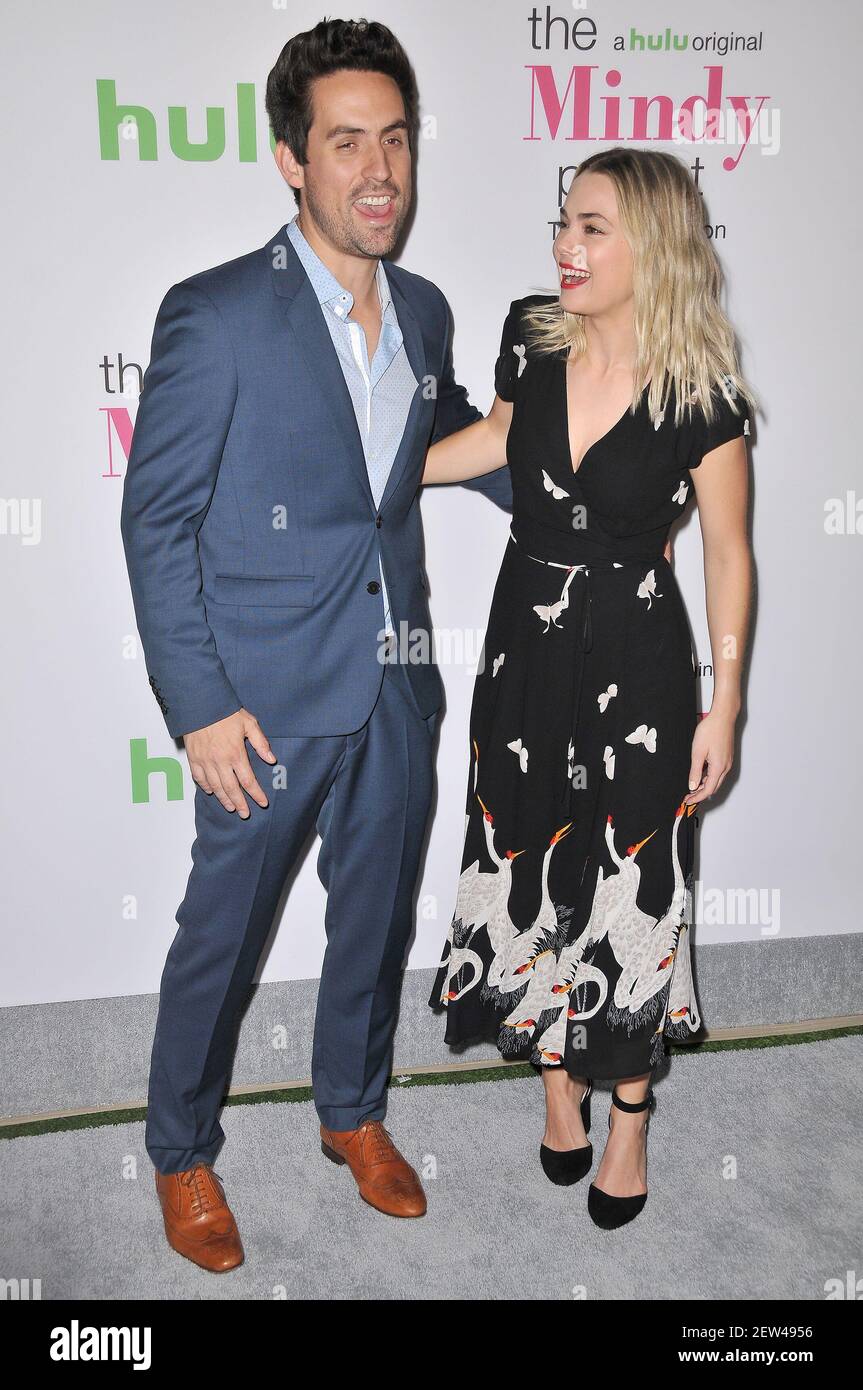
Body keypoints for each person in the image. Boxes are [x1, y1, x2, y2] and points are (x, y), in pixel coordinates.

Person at [120, 17, 511, 1271]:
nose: (378, 167)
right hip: (261, 704)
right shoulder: (217, 314)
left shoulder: (430, 310)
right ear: (292, 158)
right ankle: (180, 1151)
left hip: (397, 685)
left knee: (375, 922)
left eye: (393, 137)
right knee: (220, 940)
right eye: (347, 141)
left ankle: (352, 1112)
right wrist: (198, 704)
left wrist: (588, 491)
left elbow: (439, 446)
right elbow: (157, 520)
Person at [425, 147, 756, 1229]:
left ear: (650, 245)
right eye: (563, 224)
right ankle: (552, 1084)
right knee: (527, 843)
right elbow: (490, 441)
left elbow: (726, 552)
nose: (565, 246)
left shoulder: (698, 389)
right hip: (524, 640)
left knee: (628, 874)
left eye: (593, 228)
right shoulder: (531, 333)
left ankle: (625, 1114)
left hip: (639, 657)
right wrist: (376, 461)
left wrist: (726, 702)